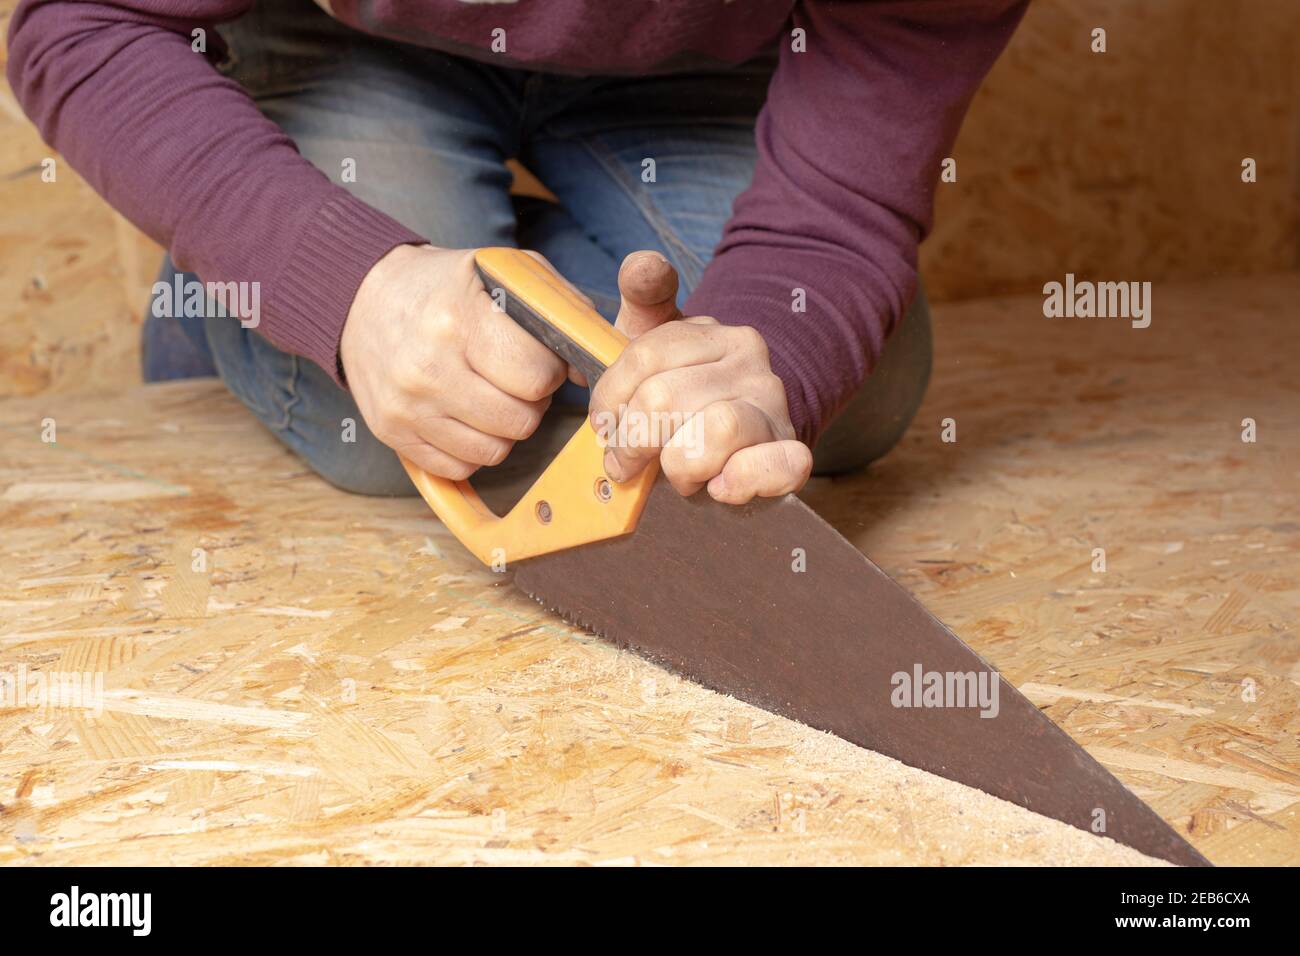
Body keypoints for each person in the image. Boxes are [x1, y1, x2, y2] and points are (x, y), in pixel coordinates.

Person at [8, 0, 1026, 502]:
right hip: (355, 41)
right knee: (393, 436)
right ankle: (231, 259)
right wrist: (344, 283)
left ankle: (405, 254)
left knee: (840, 402)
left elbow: (833, 208)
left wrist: (758, 356)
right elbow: (77, 23)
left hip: (692, 58)